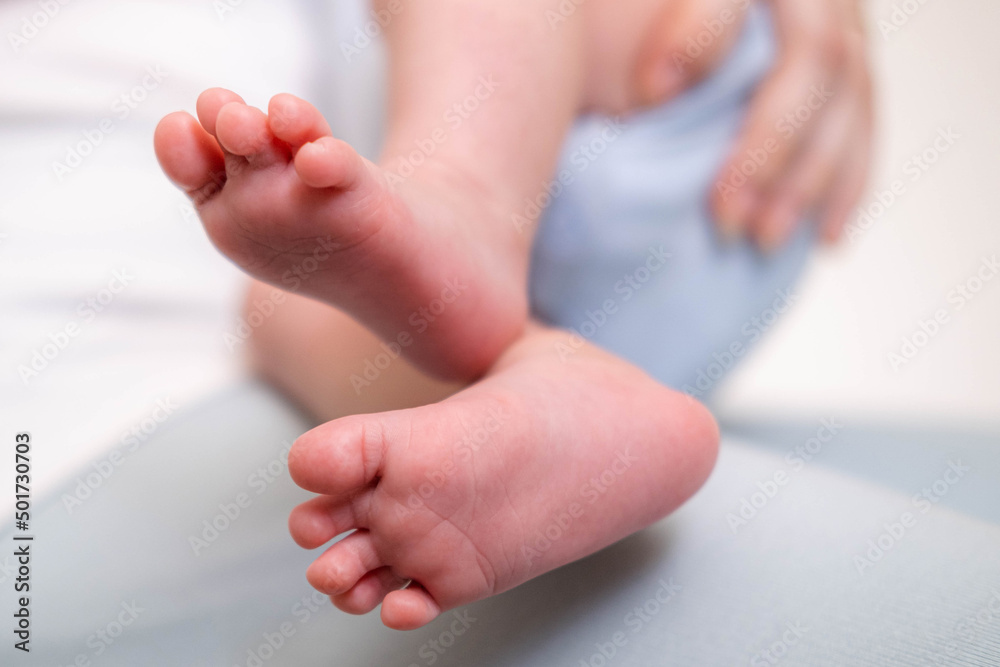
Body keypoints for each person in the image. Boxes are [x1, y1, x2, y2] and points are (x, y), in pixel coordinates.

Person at [153, 0, 871, 632]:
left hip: (700, 107)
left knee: (279, 311)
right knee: (269, 313)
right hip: (705, 263)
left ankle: (468, 196)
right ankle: (546, 374)